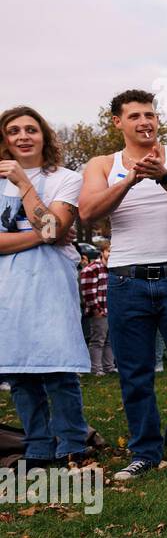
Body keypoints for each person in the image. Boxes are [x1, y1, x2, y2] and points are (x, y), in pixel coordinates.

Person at [78, 89, 167, 479]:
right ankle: (144, 451)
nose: (145, 122)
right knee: (134, 372)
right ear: (117, 122)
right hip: (127, 283)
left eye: (150, 115)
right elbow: (88, 213)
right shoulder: (102, 164)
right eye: (136, 115)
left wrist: (163, 176)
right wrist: (129, 179)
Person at [0, 106, 92, 467]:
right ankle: (37, 446)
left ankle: (71, 442)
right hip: (9, 288)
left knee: (57, 368)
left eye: (30, 129)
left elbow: (56, 232)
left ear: (44, 135)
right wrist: (40, 234)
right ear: (4, 139)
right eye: (13, 131)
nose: (23, 136)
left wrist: (24, 184)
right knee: (20, 371)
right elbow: (49, 231)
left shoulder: (65, 178)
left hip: (51, 283)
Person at [79, 243, 116, 375]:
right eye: (108, 251)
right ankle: (96, 369)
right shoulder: (93, 268)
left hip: (111, 310)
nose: (111, 254)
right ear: (102, 252)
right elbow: (88, 291)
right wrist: (96, 310)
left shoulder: (113, 268)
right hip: (99, 311)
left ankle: (108, 367)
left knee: (110, 341)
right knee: (97, 341)